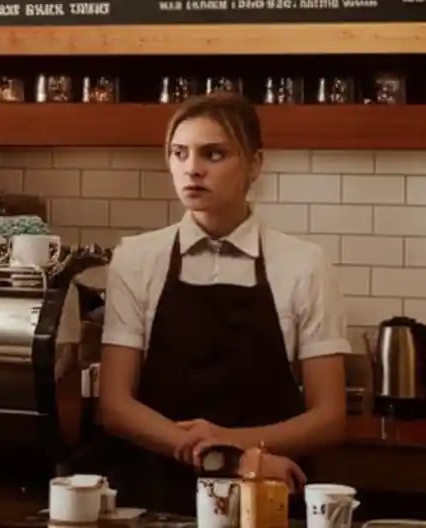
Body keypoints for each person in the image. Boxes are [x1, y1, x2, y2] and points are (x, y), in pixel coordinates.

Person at [97, 92, 350, 514]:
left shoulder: (304, 264)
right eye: (179, 153)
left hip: (265, 493)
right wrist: (230, 459)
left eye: (213, 154)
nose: (192, 168)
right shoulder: (135, 259)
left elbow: (329, 418)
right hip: (157, 496)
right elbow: (115, 407)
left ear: (255, 164)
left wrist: (237, 446)